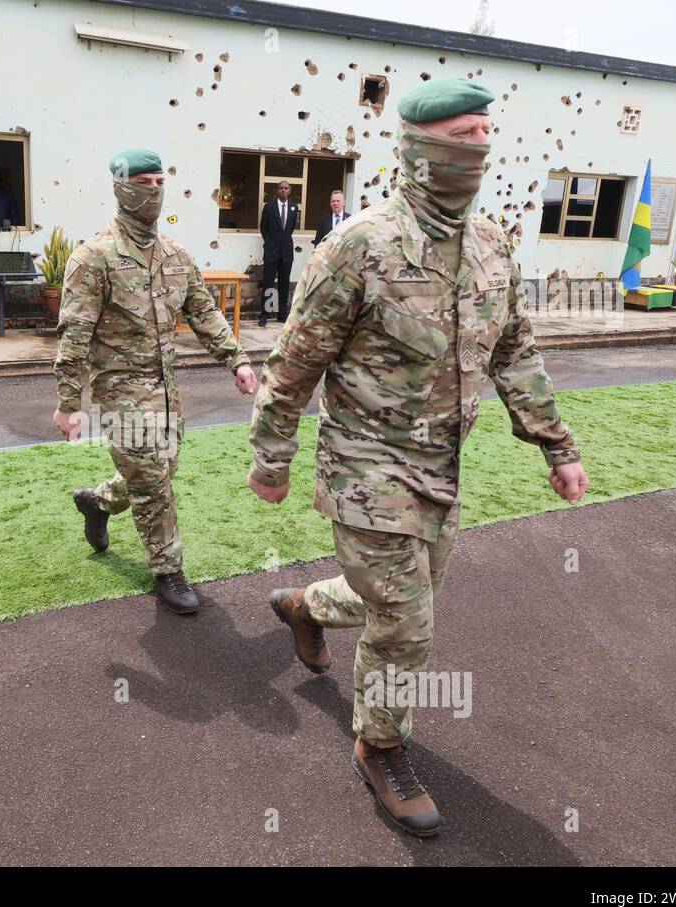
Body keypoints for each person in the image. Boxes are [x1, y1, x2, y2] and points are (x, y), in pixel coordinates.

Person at [246, 78, 590, 837]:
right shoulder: (358, 245)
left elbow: (516, 353)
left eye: (485, 134)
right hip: (365, 464)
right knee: (407, 623)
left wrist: (555, 448)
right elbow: (295, 363)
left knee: (396, 601)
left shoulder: (494, 243)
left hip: (443, 471)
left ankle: (303, 605)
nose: (481, 147)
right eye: (466, 135)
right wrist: (272, 457)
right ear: (422, 147)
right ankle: (381, 746)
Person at [53, 148, 256, 614]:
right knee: (152, 482)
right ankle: (168, 570)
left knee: (159, 472)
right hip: (120, 391)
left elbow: (204, 312)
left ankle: (98, 501)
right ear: (121, 187)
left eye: (160, 182)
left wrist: (237, 360)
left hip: (166, 390)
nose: (154, 191)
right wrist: (68, 402)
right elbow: (74, 334)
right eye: (143, 182)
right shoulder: (94, 257)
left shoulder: (174, 255)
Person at [258, 180, 299, 326]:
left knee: (284, 284)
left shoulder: (294, 208)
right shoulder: (269, 207)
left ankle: (282, 314)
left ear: (290, 191)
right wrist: (271, 242)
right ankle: (265, 314)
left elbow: (291, 228)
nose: (283, 190)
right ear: (277, 190)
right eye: (281, 188)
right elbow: (263, 228)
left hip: (287, 252)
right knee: (268, 283)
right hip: (271, 251)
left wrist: (283, 242)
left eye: (286, 188)